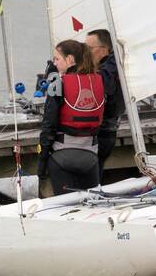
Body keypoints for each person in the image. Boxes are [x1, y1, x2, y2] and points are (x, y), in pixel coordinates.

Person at [37, 39, 105, 195]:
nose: (54, 63)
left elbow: (49, 124)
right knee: (92, 205)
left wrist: (42, 163)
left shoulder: (57, 84)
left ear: (69, 60)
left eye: (57, 59)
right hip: (91, 157)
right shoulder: (98, 80)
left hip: (62, 157)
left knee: (66, 209)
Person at [85, 28, 126, 169]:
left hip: (104, 132)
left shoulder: (112, 65)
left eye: (89, 48)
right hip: (100, 131)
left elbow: (104, 86)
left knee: (93, 172)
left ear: (104, 49)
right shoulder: (102, 66)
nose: (85, 53)